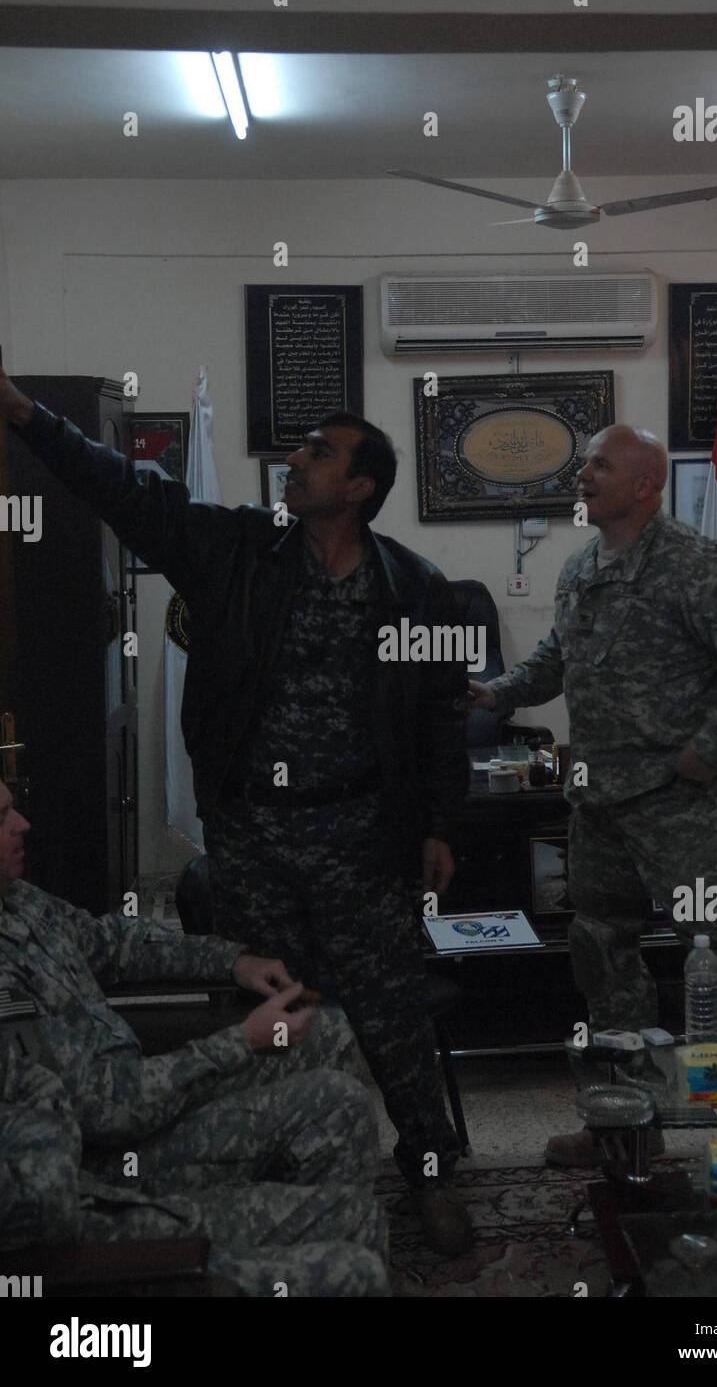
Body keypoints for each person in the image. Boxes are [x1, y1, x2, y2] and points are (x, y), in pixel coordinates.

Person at [0, 370, 471, 1254]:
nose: (295, 462)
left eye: (319, 454)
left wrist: (440, 821)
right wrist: (27, 416)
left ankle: (432, 1173)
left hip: (361, 835)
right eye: (300, 448)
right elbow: (124, 486)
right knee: (270, 1008)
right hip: (254, 832)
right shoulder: (236, 552)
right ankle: (271, 1177)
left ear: (361, 487)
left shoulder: (415, 589)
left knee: (392, 1015)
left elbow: (441, 712)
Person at [466, 424, 717, 1166]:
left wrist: (709, 749)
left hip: (684, 805)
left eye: (599, 464)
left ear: (644, 485)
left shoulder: (693, 565)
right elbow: (560, 657)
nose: (581, 474)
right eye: (584, 461)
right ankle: (622, 1123)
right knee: (601, 953)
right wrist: (492, 691)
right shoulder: (583, 564)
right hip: (600, 803)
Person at [0, 775, 384, 1252]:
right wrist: (240, 1041)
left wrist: (231, 962)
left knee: (326, 1034)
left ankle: (299, 1244)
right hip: (110, 1158)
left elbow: (116, 944)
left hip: (148, 1096)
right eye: (2, 817)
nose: (23, 823)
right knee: (338, 1104)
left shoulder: (18, 903)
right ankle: (300, 1244)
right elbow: (102, 1112)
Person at [0, 1044, 389, 1297]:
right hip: (80, 1257)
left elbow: (38, 1081)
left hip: (106, 1185)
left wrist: (232, 964)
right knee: (356, 1271)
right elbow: (43, 1203)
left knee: (359, 1213)